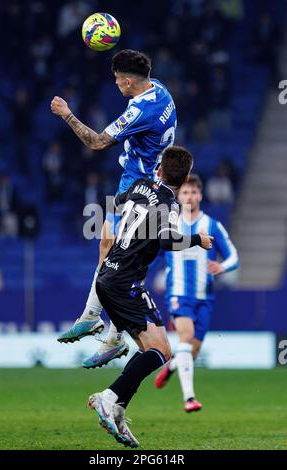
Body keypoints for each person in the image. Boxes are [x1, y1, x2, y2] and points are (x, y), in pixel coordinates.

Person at [51, 49, 177, 367]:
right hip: (133, 186)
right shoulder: (159, 89)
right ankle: (95, 320)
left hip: (143, 193)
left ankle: (111, 334)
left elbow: (95, 142)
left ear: (126, 81)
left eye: (118, 80)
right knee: (107, 248)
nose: (116, 85)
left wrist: (67, 114)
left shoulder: (139, 110)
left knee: (123, 267)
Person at [87, 147, 213, 448]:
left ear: (159, 170)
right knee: (159, 351)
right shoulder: (169, 205)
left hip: (107, 276)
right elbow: (168, 240)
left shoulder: (139, 185)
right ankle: (109, 397)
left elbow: (117, 203)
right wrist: (198, 239)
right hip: (125, 283)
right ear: (183, 182)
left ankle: (117, 408)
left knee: (154, 349)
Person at [154, 174, 239, 412]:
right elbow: (153, 255)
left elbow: (233, 256)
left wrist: (222, 266)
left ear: (200, 195)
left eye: (193, 192)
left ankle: (171, 367)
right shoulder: (169, 226)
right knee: (185, 337)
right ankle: (189, 398)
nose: (189, 196)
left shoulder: (212, 225)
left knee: (192, 350)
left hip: (205, 296)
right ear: (178, 196)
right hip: (178, 294)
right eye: (185, 192)